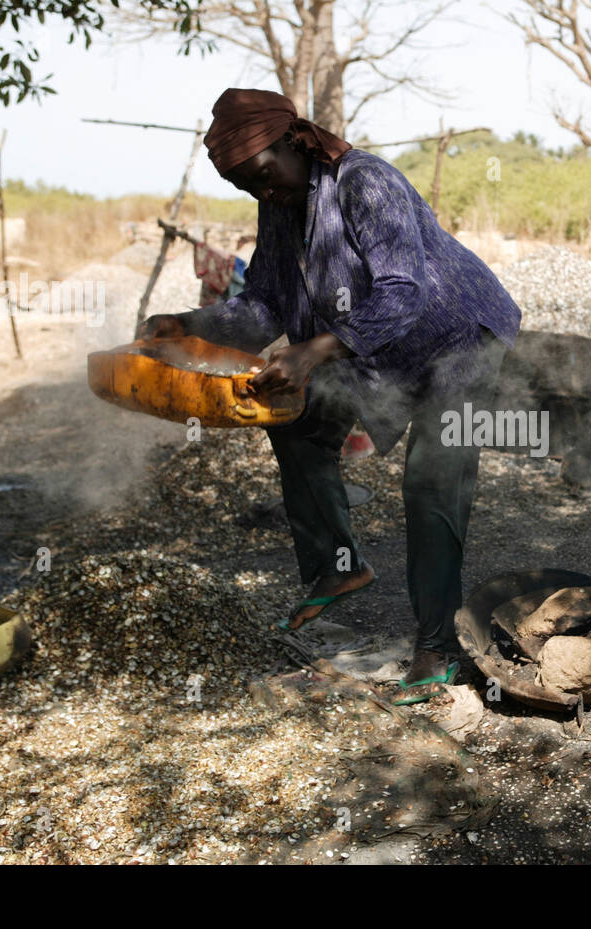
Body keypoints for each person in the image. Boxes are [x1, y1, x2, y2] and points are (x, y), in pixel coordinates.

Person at [142, 88, 521, 702]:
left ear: (293, 141)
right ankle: (338, 567)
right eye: (247, 187)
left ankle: (439, 648)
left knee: (432, 483)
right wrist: (188, 324)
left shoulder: (365, 182)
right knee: (294, 422)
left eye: (263, 175)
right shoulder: (280, 203)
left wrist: (315, 350)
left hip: (459, 338)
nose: (263, 193)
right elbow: (263, 305)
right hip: (369, 346)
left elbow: (403, 290)